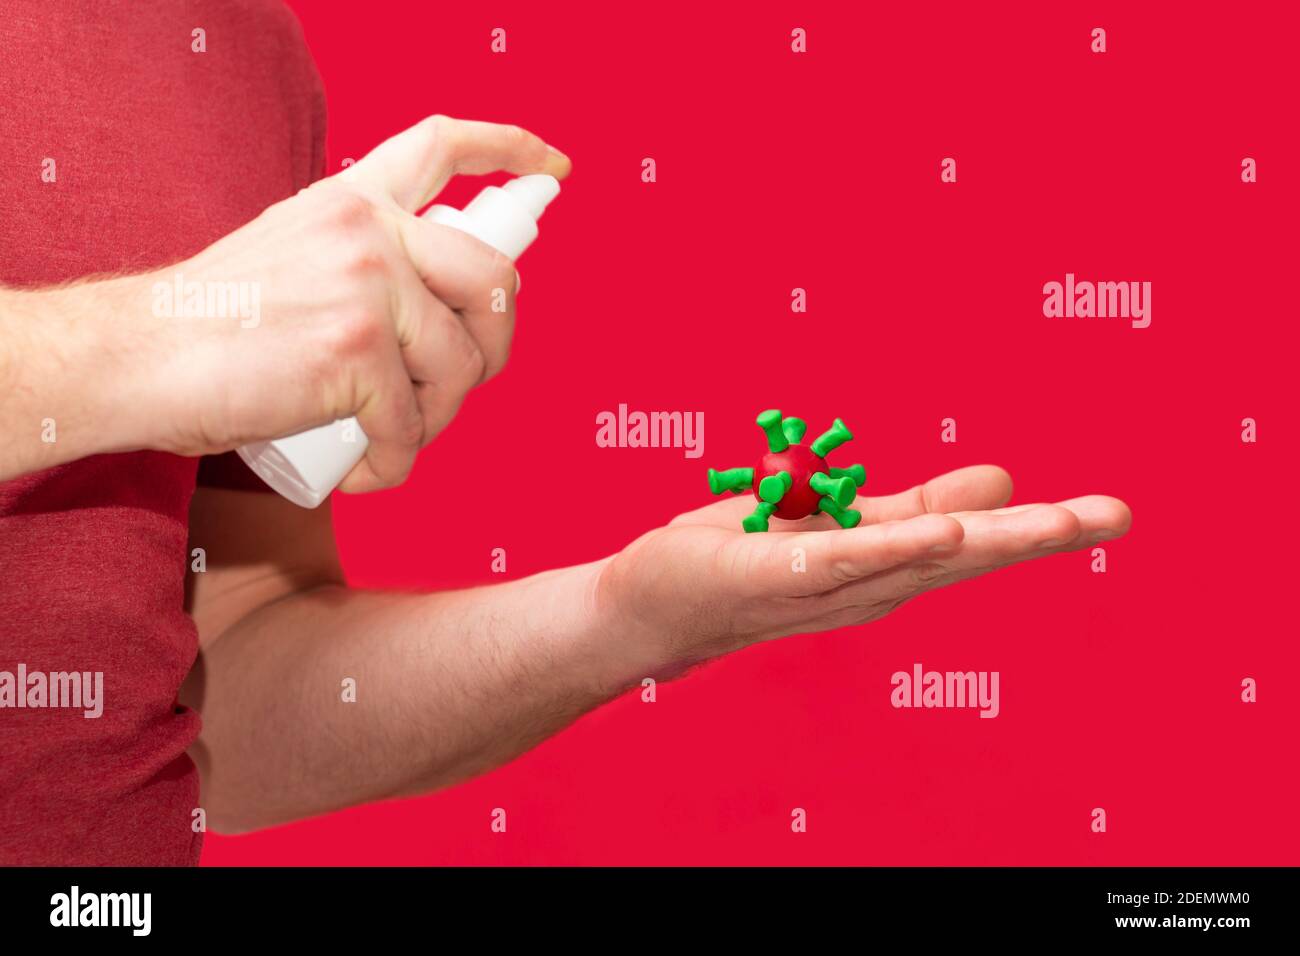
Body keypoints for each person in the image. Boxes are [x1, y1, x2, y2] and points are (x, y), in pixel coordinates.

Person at [0, 0, 1130, 864]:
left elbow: (214, 698)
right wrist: (148, 339)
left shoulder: (233, 46)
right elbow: (148, 351)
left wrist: (622, 618)